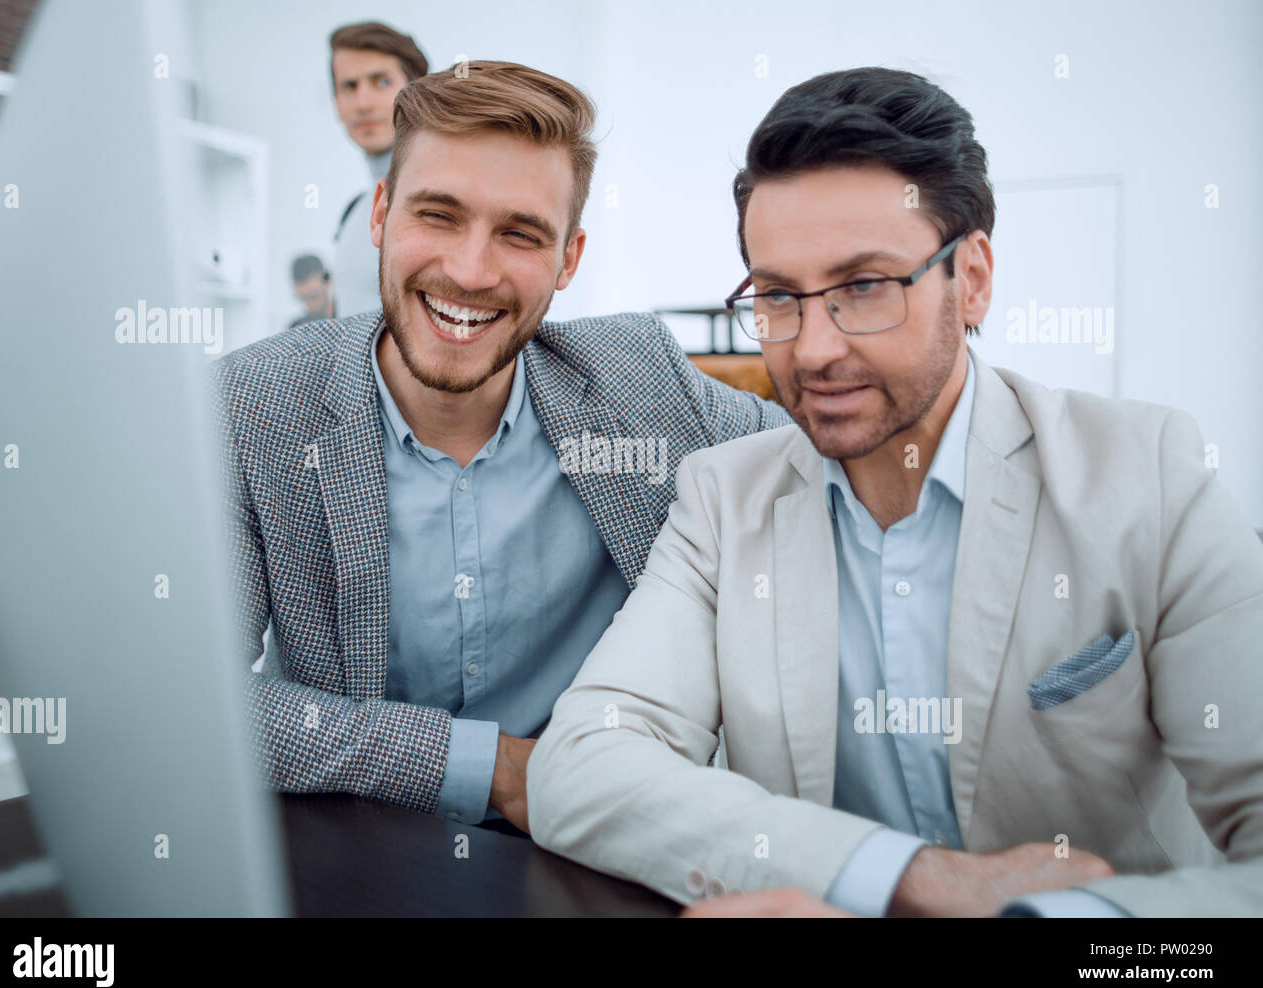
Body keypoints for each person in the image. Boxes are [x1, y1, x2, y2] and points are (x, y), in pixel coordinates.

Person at [527, 67, 1263, 917]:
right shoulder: (723, 501)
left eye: (864, 286)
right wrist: (904, 876)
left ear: (972, 277)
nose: (813, 349)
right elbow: (579, 765)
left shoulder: (1148, 475)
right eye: (779, 297)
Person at [207, 62, 789, 834]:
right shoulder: (252, 405)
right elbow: (189, 696)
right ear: (380, 214)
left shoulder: (642, 377)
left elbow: (824, 457)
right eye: (438, 215)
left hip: (599, 855)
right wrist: (488, 768)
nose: (470, 270)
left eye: (520, 233)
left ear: (568, 259)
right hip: (360, 853)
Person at [328, 21, 428, 317]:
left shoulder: (447, 201)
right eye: (349, 86)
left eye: (381, 82)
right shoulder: (354, 212)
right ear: (336, 103)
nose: (363, 103)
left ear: (419, 92)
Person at [287, 253, 335, 326]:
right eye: (303, 298)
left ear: (328, 282)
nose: (309, 305)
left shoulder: (349, 318)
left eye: (313, 296)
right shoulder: (296, 327)